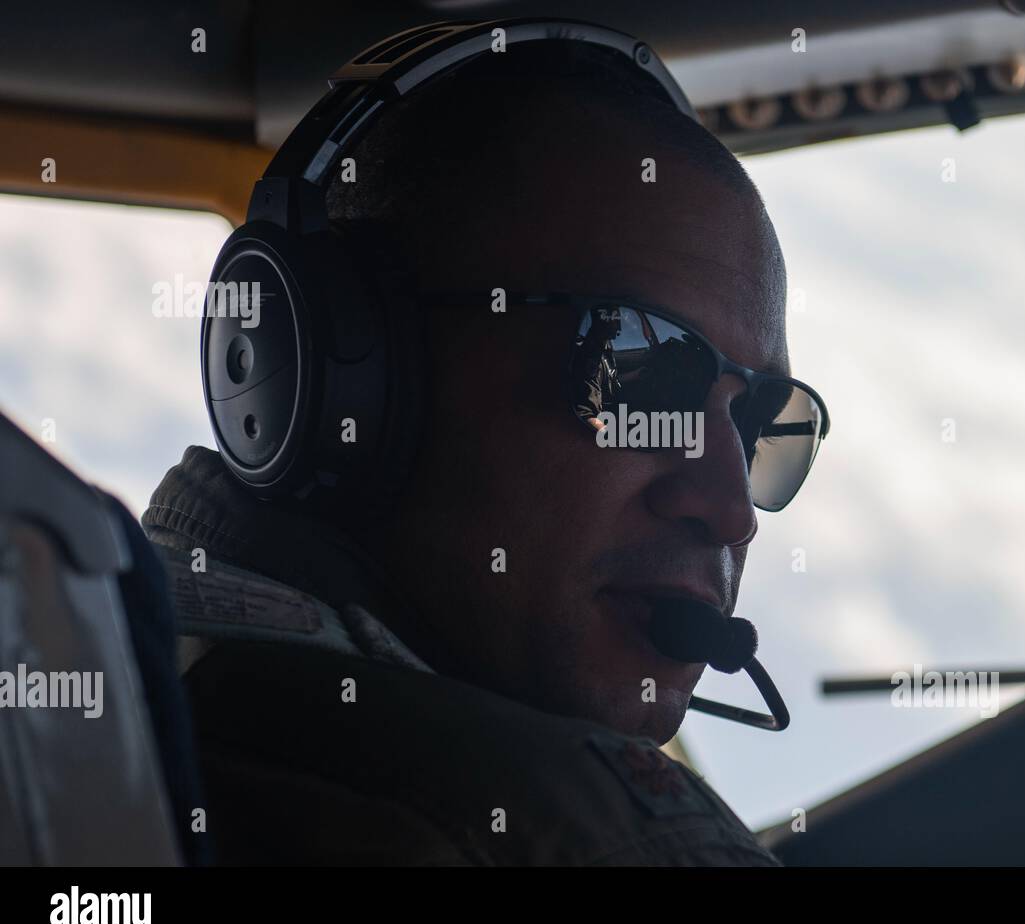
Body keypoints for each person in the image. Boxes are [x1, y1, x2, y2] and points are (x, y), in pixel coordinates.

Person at [143, 29, 824, 865]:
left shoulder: (114, 677)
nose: (728, 510)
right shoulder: (583, 839)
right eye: (638, 372)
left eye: (756, 420)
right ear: (350, 367)